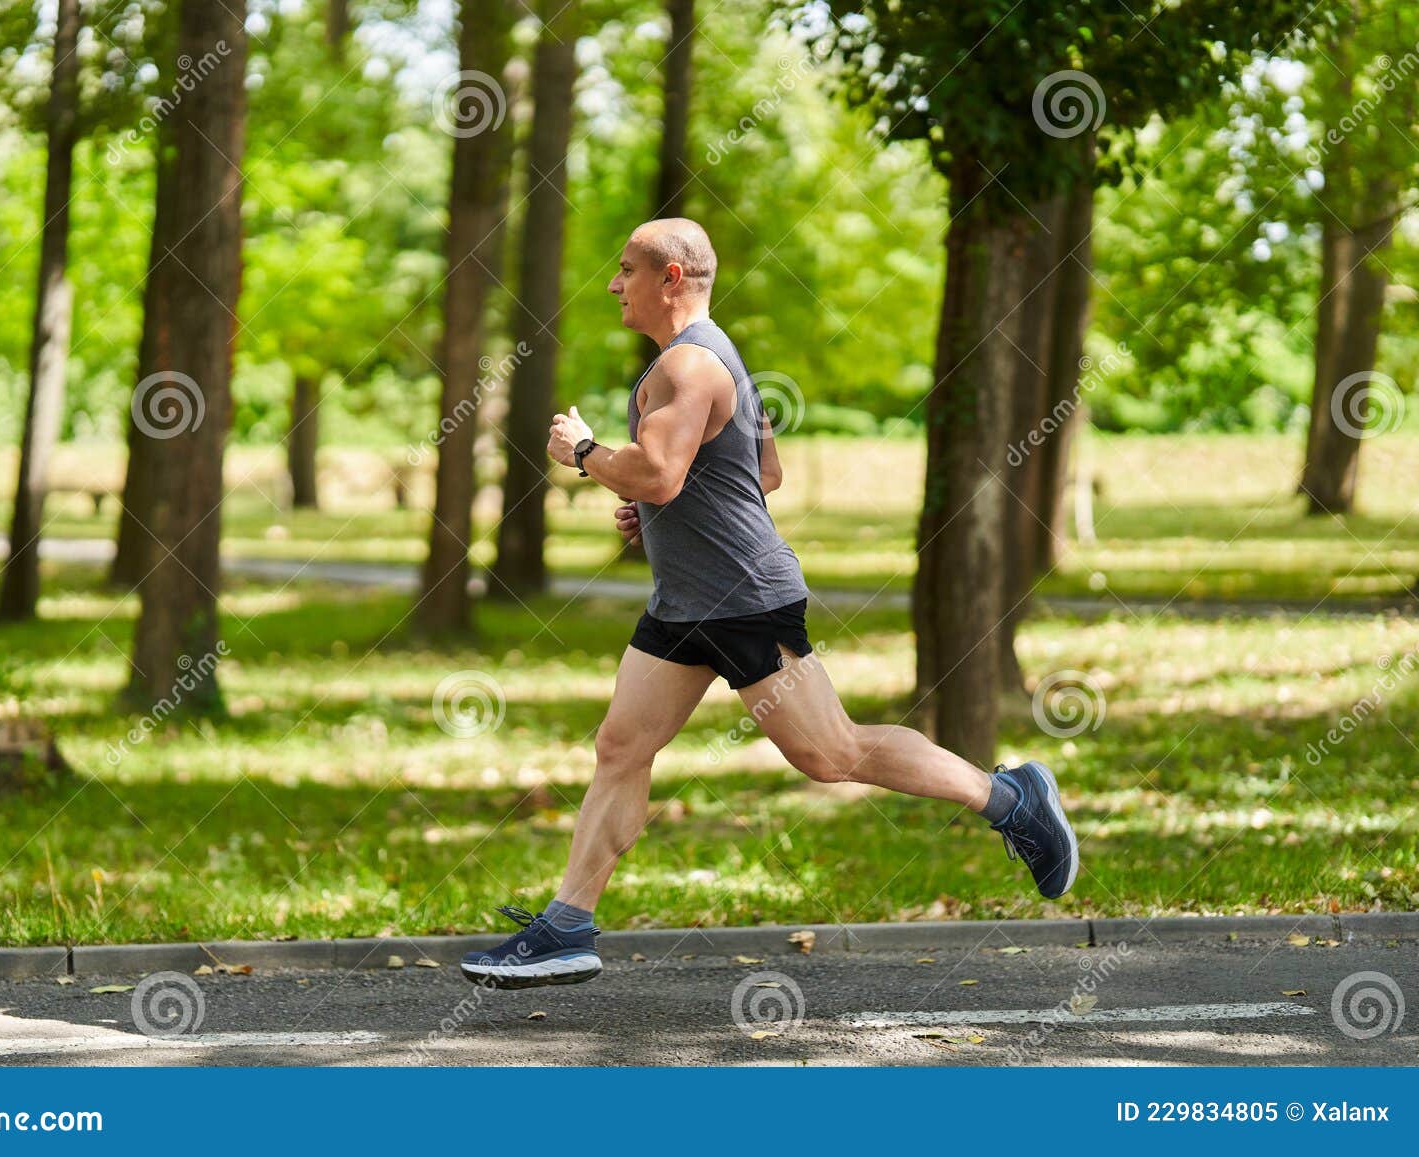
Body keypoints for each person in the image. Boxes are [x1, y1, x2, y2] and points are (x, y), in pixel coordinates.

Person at [460, 218, 1077, 990]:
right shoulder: (714, 358)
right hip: (685, 604)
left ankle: (1011, 798)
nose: (615, 284)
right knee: (620, 747)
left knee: (832, 753)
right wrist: (657, 511)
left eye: (627, 270)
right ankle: (567, 927)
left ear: (671, 277)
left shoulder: (687, 366)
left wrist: (585, 452)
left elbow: (660, 474)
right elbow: (759, 473)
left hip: (741, 601)